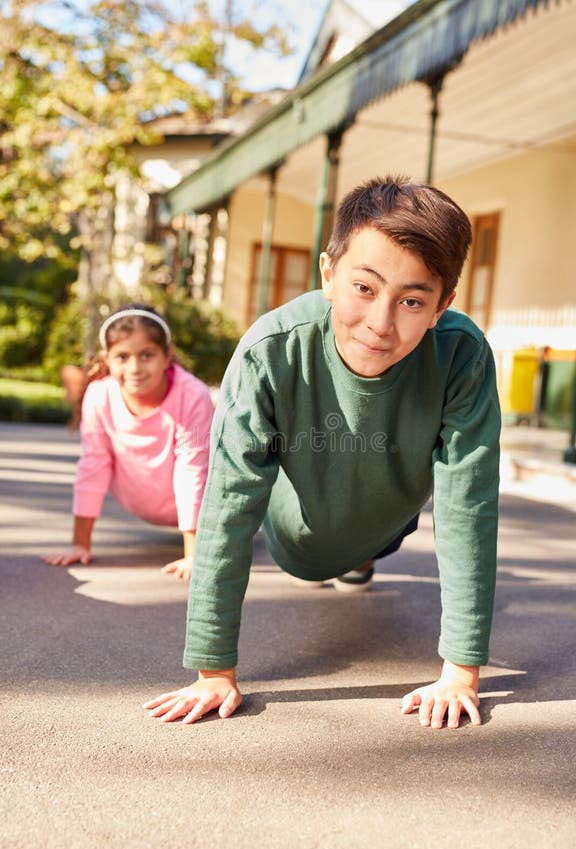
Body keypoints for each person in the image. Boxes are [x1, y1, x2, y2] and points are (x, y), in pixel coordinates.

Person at [143, 176, 501, 728]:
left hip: (387, 517)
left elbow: (467, 504)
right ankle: (342, 555)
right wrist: (213, 669)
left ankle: (359, 557)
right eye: (364, 288)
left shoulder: (462, 354)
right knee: (306, 548)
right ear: (329, 274)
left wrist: (461, 670)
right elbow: (230, 501)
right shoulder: (270, 350)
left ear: (442, 306)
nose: (381, 324)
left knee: (377, 520)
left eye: (411, 300)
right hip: (295, 529)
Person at [42, 303, 214, 580]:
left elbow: (193, 470)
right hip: (143, 502)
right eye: (122, 357)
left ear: (167, 355)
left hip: (210, 507)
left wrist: (193, 555)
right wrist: (80, 544)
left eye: (147, 355)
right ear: (106, 358)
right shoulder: (99, 396)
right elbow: (93, 466)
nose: (134, 368)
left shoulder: (192, 394)